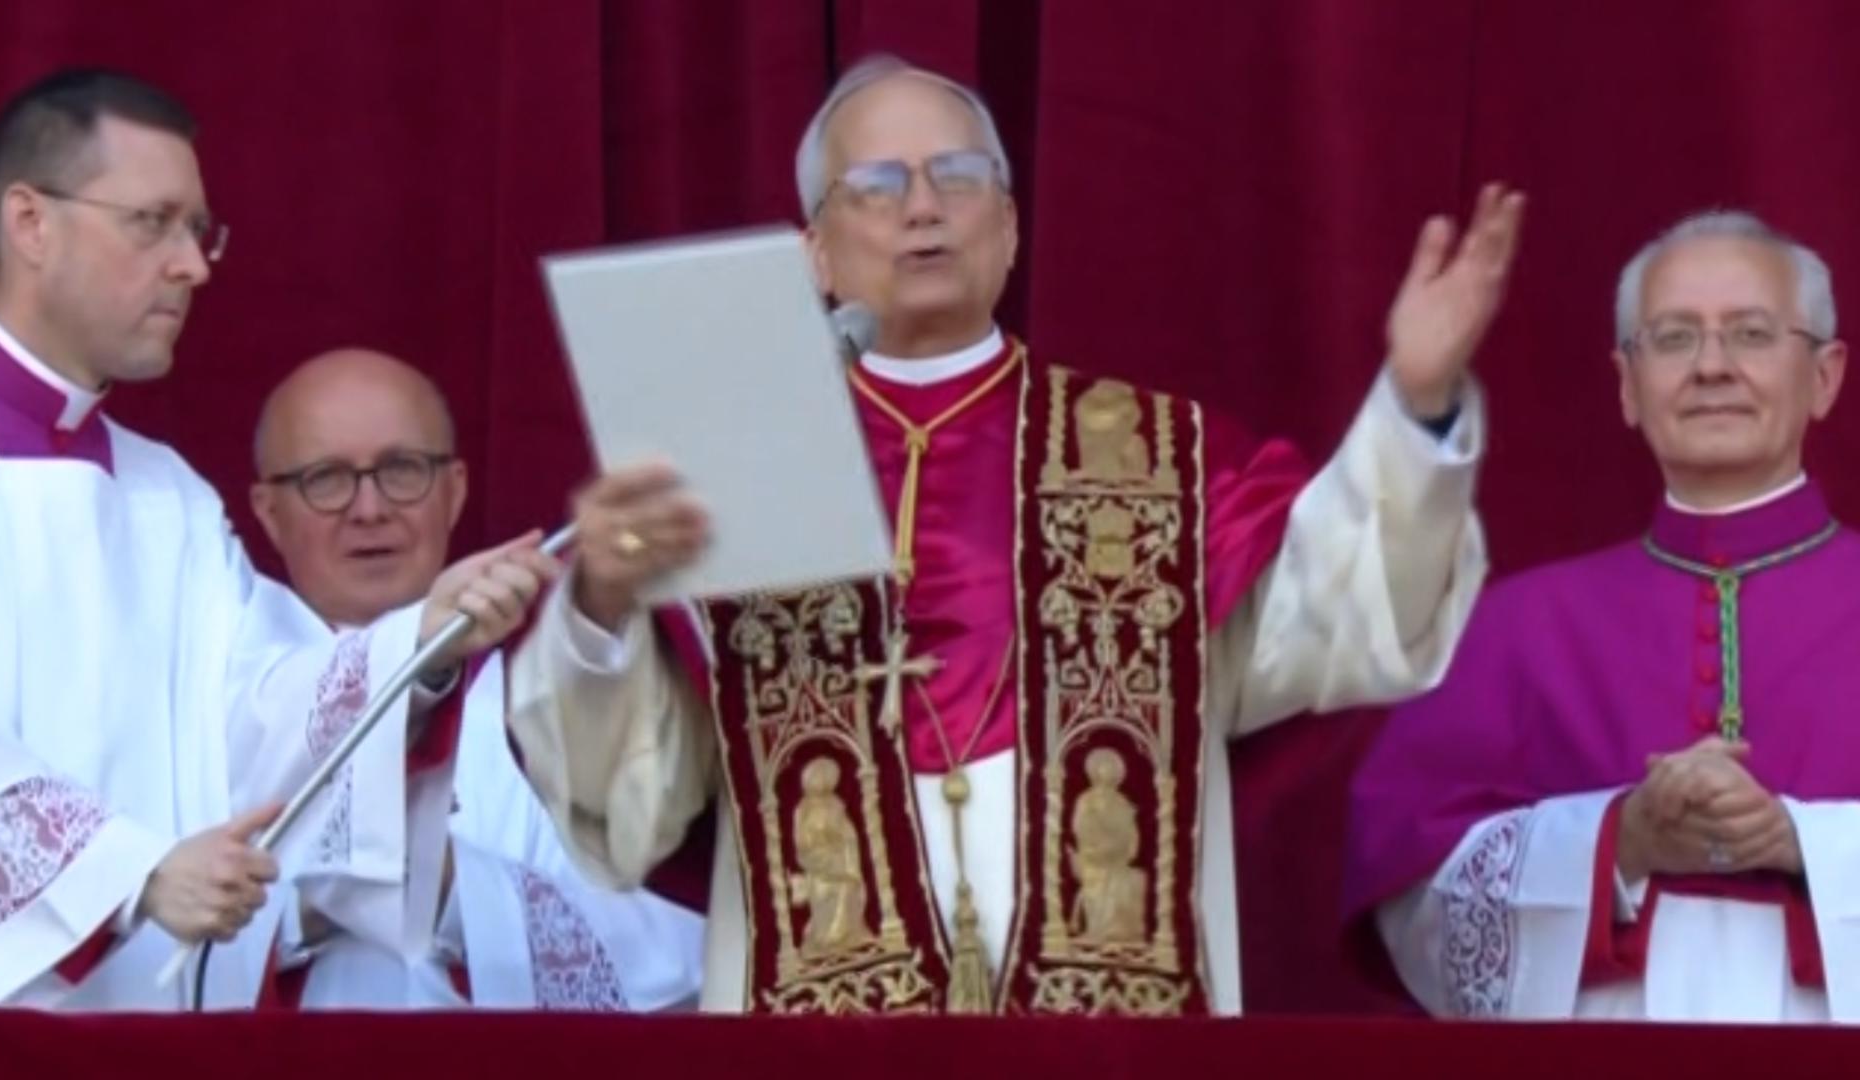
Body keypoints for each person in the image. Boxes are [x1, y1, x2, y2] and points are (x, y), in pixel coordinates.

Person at [510, 55, 1521, 1015]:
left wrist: (1416, 406)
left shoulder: (1156, 461)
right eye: (878, 185)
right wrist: (600, 600)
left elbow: (1350, 612)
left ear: (1008, 226)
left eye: (957, 176)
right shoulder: (724, 484)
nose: (922, 206)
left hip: (1110, 1042)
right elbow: (628, 802)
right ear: (813, 251)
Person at [0, 69, 556, 1008]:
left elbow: (254, 716)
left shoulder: (168, 496)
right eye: (152, 223)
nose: (192, 265)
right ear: (30, 223)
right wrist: (129, 874)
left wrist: (421, 642)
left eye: (198, 230)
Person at [1344, 210, 1860, 1022]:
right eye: (1674, 338)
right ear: (1627, 385)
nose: (1712, 367)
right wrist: (1619, 840)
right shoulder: (1516, 628)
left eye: (1752, 334)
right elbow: (1415, 894)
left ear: (1825, 377)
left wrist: (1803, 842)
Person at [248, 348, 703, 1010]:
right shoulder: (219, 696)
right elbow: (144, 937)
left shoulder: (550, 703)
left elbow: (674, 946)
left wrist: (453, 894)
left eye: (402, 469)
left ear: (455, 490)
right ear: (268, 512)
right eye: (326, 478)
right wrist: (308, 909)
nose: (369, 508)